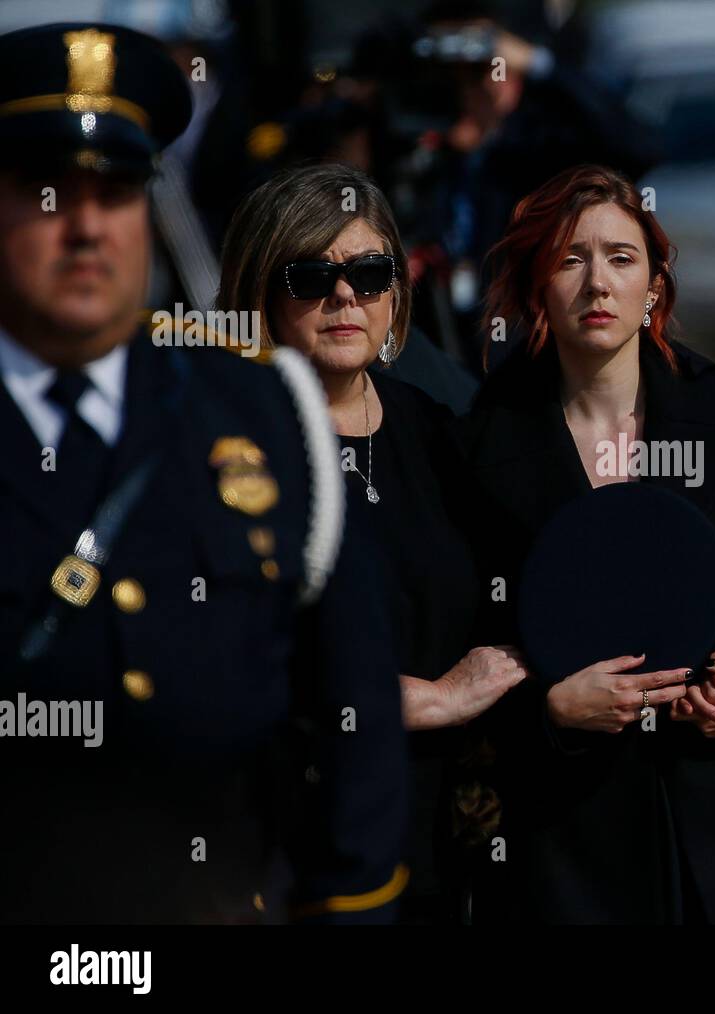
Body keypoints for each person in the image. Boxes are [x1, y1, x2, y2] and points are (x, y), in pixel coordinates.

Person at [0, 22, 408, 922]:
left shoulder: (262, 411)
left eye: (116, 193)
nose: (85, 229)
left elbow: (355, 716)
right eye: (47, 193)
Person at [458, 164, 715, 924]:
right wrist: (550, 710)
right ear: (536, 285)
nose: (598, 283)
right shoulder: (481, 444)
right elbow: (464, 633)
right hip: (565, 838)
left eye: (621, 259)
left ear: (655, 284)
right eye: (570, 259)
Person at [217, 161, 530, 923]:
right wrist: (425, 701)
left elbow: (534, 566)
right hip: (288, 854)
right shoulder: (225, 446)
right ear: (259, 292)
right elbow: (217, 658)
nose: (344, 294)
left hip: (446, 844)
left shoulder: (441, 430)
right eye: (310, 274)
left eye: (369, 270)